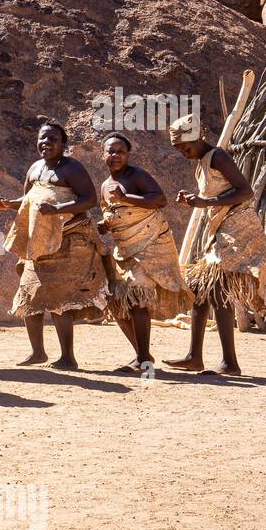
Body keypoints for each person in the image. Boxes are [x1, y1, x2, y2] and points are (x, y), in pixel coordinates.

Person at [164, 114, 266, 375]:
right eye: (178, 148)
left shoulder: (218, 157)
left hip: (238, 229)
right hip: (220, 228)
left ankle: (229, 363)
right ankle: (194, 357)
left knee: (216, 291)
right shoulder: (201, 161)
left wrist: (206, 203)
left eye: (185, 147)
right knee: (201, 290)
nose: (182, 152)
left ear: (198, 138)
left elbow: (246, 191)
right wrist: (194, 200)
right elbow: (216, 193)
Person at [0, 121, 107, 370]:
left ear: (63, 144)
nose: (46, 143)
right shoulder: (35, 168)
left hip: (66, 242)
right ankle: (37, 353)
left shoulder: (72, 168)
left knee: (59, 299)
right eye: (43, 138)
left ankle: (68, 357)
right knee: (30, 296)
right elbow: (30, 200)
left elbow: (89, 200)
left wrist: (58, 210)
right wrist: (8, 204)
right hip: (38, 243)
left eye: (53, 139)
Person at [96, 132, 192, 371]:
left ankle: (142, 359)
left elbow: (159, 200)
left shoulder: (136, 175)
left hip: (150, 245)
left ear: (128, 155)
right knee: (117, 302)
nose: (115, 155)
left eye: (120, 151)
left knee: (138, 298)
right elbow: (112, 211)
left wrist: (126, 196)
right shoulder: (105, 186)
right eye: (110, 151)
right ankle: (143, 354)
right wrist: (106, 225)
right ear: (103, 155)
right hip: (125, 248)